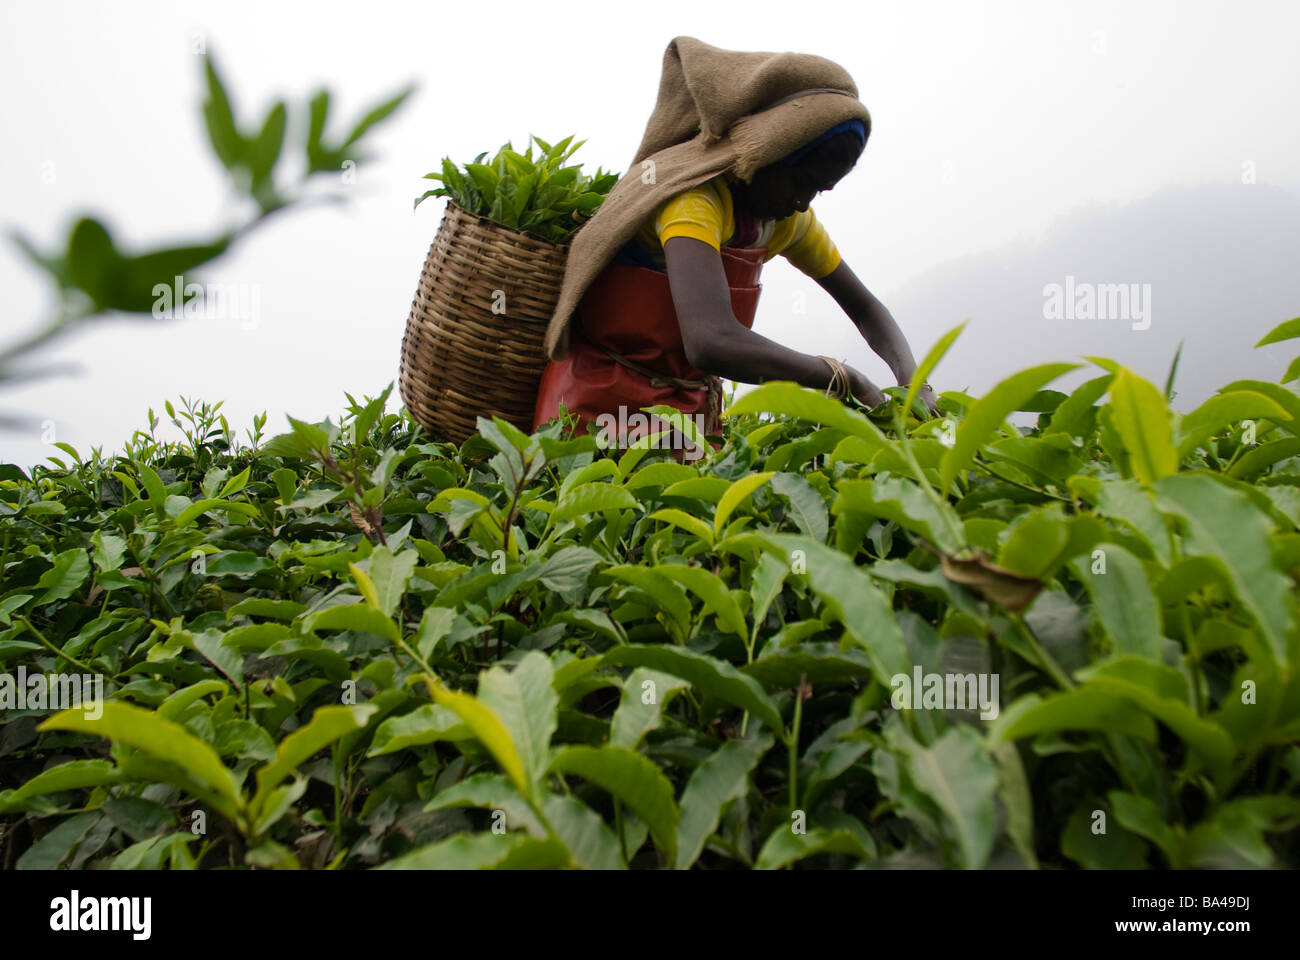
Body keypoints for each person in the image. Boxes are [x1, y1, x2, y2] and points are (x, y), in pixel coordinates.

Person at [532, 37, 937, 458]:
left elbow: (867, 309)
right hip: (595, 404)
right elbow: (710, 340)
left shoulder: (784, 221)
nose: (803, 202)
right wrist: (842, 377)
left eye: (819, 190)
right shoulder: (694, 202)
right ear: (766, 155)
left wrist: (915, 387)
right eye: (800, 183)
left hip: (685, 410)